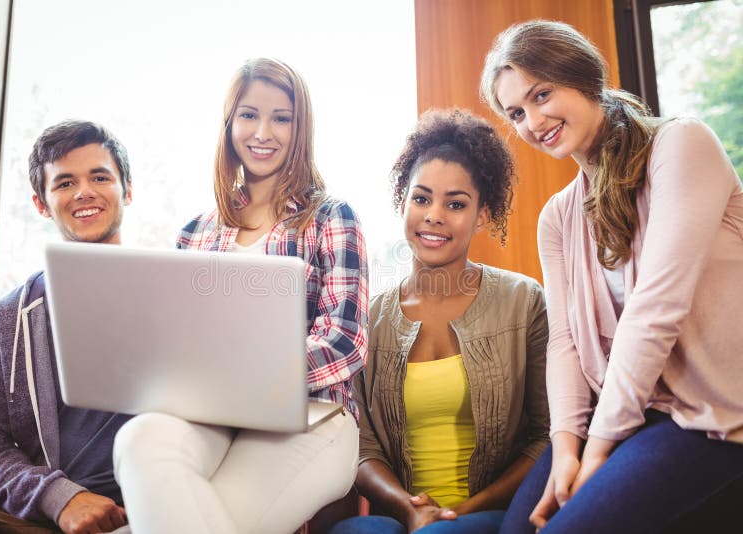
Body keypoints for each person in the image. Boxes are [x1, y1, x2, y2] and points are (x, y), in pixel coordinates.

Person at [480, 19, 743, 534]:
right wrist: (566, 448)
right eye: (516, 112)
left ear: (582, 76)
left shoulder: (681, 146)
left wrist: (598, 449)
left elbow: (655, 308)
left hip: (715, 416)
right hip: (636, 412)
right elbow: (565, 344)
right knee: (516, 530)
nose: (533, 121)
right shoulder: (557, 217)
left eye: (542, 94)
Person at [112, 58, 369, 534]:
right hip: (212, 415)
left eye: (282, 118)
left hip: (312, 418)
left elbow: (345, 341)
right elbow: (176, 343)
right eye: (249, 115)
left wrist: (249, 374)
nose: (263, 132)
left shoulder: (331, 217)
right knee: (138, 439)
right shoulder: (195, 233)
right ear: (229, 124)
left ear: (301, 126)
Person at [331, 109, 549, 534]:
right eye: (421, 198)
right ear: (403, 201)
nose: (434, 215)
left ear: (483, 215)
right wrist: (408, 509)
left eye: (455, 204)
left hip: (491, 514)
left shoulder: (522, 302)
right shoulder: (370, 318)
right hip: (402, 516)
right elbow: (362, 447)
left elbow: (546, 436)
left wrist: (460, 513)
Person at [0, 120, 134, 533]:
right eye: (65, 183)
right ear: (41, 204)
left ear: (127, 190)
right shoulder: (4, 322)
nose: (84, 191)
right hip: (43, 512)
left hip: (152, 506)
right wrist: (62, 499)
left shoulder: (176, 295)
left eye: (100, 177)